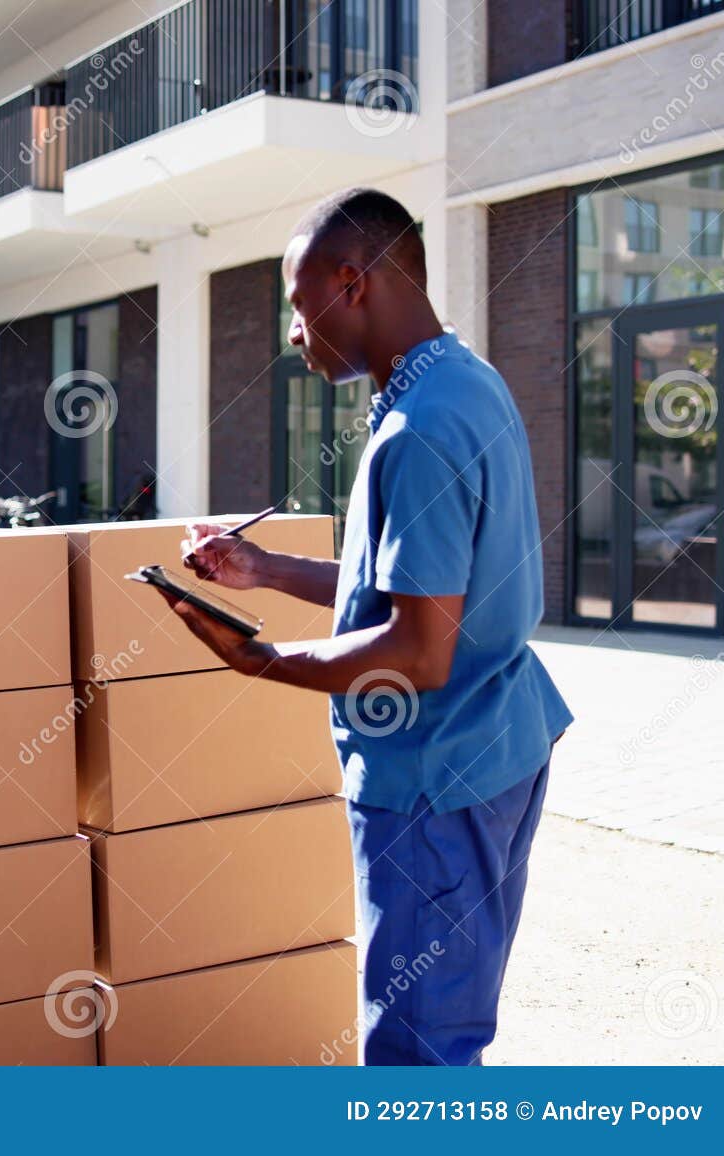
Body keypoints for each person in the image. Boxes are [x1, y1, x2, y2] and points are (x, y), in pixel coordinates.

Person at [167, 189, 572, 1066]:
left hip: (435, 779)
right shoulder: (463, 380)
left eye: (296, 305)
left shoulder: (417, 430)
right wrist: (264, 569)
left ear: (352, 283)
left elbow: (417, 652)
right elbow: (418, 596)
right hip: (494, 748)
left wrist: (258, 659)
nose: (292, 333)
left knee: (416, 1054)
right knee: (446, 1030)